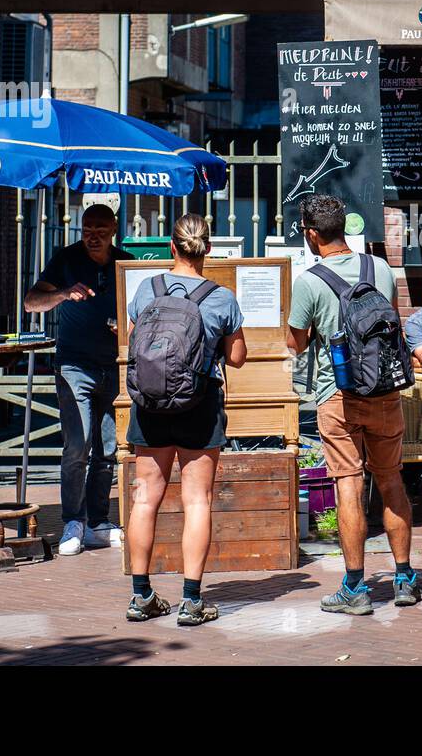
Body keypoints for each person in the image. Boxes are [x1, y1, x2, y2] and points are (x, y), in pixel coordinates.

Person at [286, 194, 422, 614]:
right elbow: (392, 323)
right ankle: (404, 579)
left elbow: (297, 342)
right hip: (385, 393)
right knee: (391, 481)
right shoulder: (379, 268)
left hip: (338, 397)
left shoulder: (309, 280)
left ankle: (355, 587)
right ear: (343, 228)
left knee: (349, 484)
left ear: (311, 234)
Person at [124, 213, 247, 626]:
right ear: (208, 250)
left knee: (145, 498)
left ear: (171, 248)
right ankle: (191, 600)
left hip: (150, 404)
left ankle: (141, 596)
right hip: (200, 403)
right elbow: (237, 358)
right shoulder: (222, 298)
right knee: (197, 501)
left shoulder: (147, 289)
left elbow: (133, 339)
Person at [25, 203, 132, 556]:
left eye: (101, 228)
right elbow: (31, 302)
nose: (93, 235)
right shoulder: (66, 259)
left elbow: (141, 309)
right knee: (77, 446)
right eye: (87, 228)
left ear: (114, 229)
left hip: (114, 366)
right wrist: (62, 294)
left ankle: (98, 523)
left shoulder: (126, 261)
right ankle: (74, 520)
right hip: (75, 367)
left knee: (108, 450)